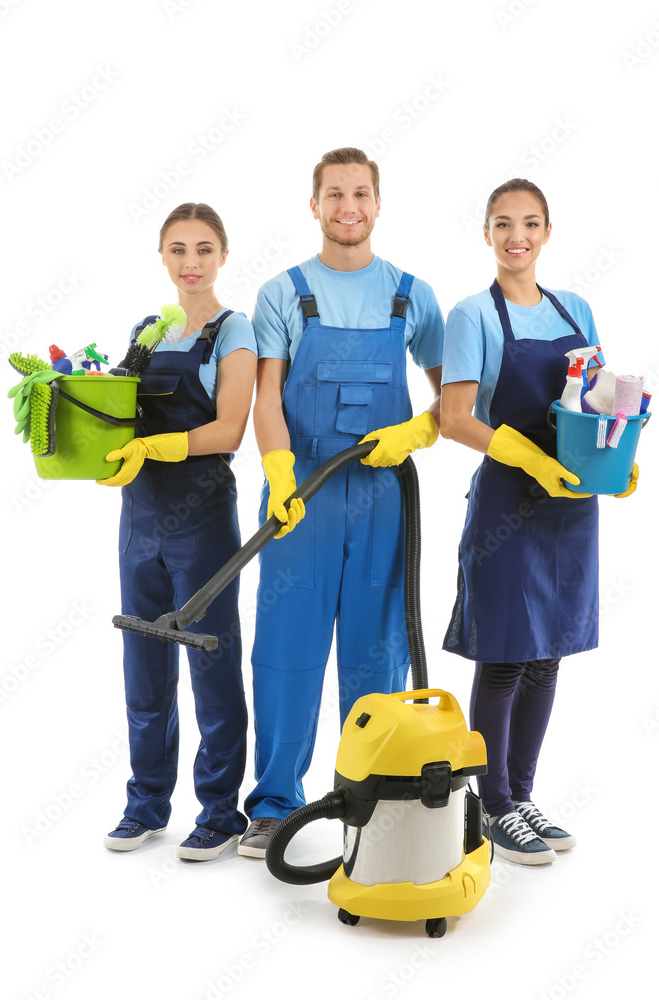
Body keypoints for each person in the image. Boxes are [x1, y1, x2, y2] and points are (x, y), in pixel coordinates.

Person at [238, 147, 445, 858]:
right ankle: (272, 804)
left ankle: (375, 795)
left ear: (378, 204)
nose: (347, 206)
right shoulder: (283, 292)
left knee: (376, 653)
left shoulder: (411, 295)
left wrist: (418, 430)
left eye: (360, 193)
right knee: (286, 650)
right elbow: (267, 397)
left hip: (382, 496)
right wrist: (277, 469)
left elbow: (456, 397)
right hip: (301, 497)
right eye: (334, 194)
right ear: (314, 205)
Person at [440, 179, 637, 866]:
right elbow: (454, 416)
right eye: (501, 224)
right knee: (504, 654)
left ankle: (520, 797)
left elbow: (599, 400)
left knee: (546, 652)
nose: (514, 235)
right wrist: (528, 457)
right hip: (507, 501)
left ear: (546, 232)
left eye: (527, 223)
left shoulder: (574, 307)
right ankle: (490, 805)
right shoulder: (472, 316)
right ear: (486, 234)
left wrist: (620, 456)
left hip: (571, 503)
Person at [98, 203, 257, 862]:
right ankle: (145, 803)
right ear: (161, 257)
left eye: (203, 249)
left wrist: (157, 448)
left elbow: (230, 430)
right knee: (144, 665)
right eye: (177, 250)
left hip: (200, 518)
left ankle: (220, 811)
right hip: (138, 517)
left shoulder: (234, 331)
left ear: (222, 255)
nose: (190, 263)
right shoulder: (147, 329)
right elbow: (115, 413)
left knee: (210, 664)